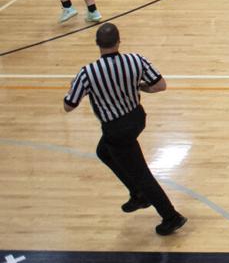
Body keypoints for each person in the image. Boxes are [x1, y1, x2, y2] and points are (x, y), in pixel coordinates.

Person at [63, 23, 187, 237]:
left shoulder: (88, 72)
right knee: (103, 151)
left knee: (142, 174)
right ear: (119, 41)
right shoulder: (135, 60)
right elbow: (160, 86)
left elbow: (69, 105)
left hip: (116, 129)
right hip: (136, 119)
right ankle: (138, 193)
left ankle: (170, 216)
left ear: (97, 44)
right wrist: (139, 87)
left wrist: (74, 88)